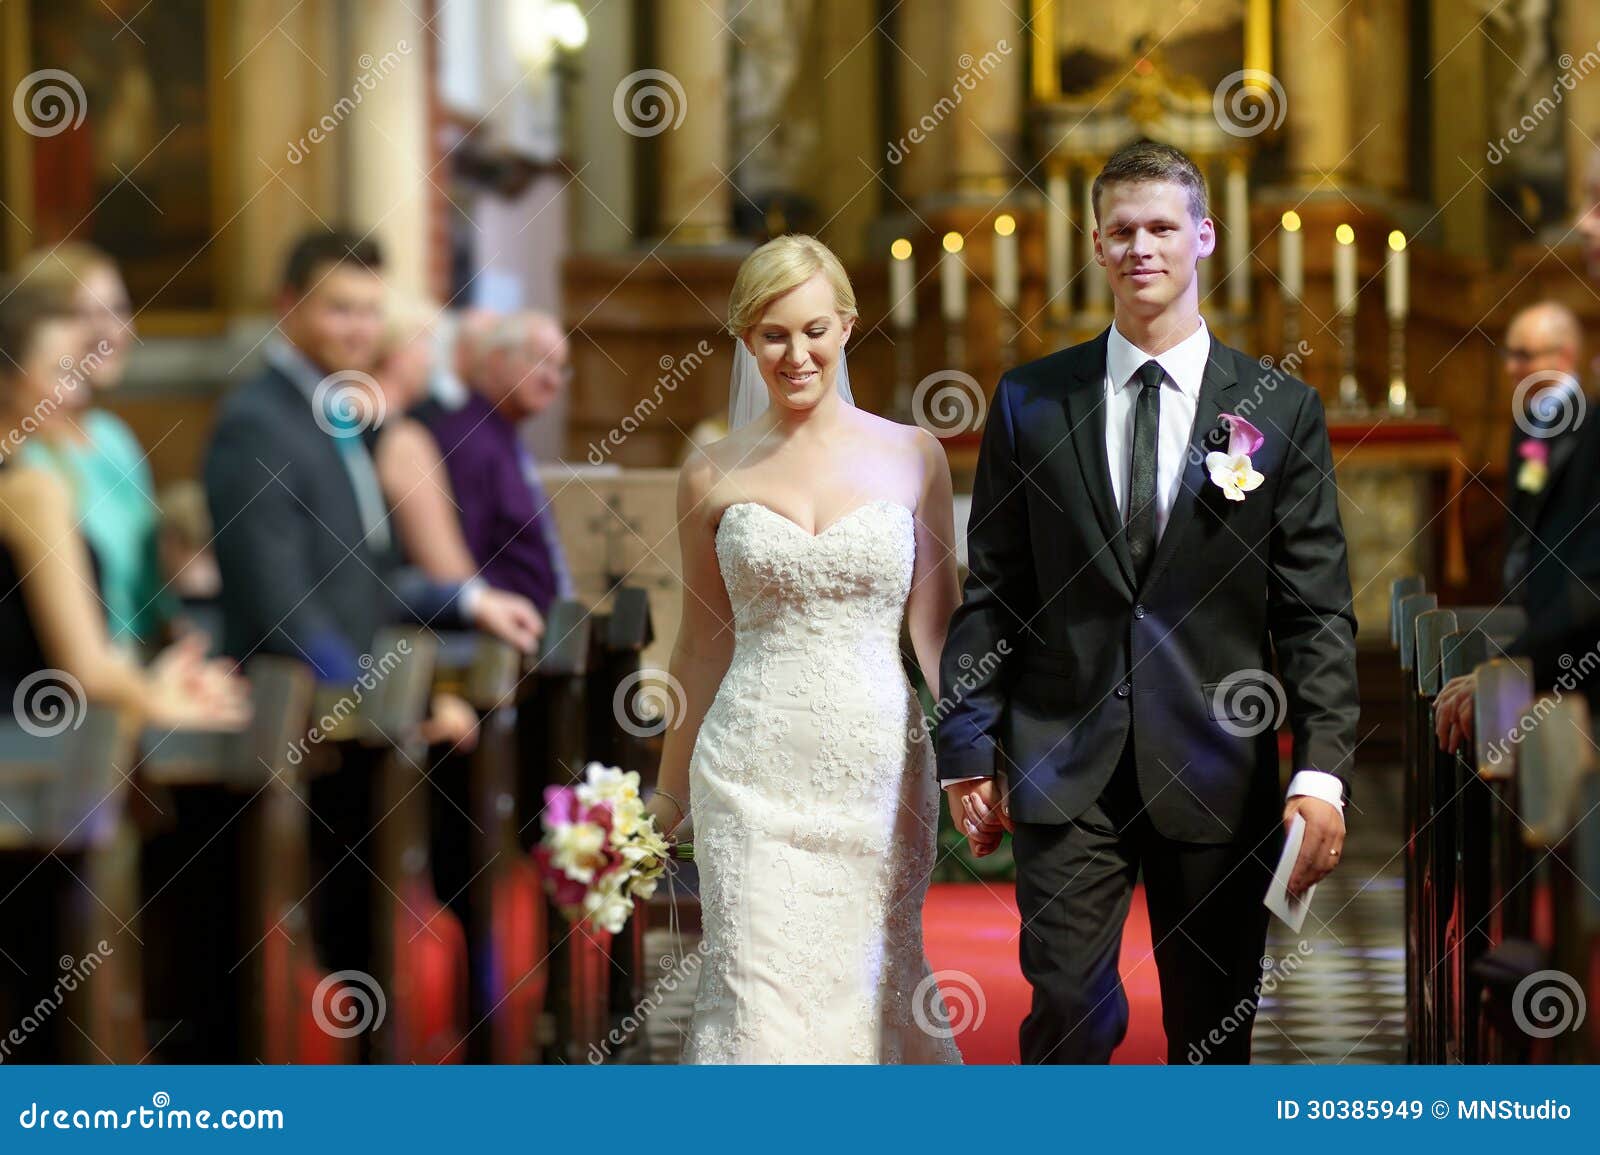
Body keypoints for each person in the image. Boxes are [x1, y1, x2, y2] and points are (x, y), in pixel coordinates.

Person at [937, 140, 1358, 1064]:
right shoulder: (1031, 401)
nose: (1141, 248)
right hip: (1064, 754)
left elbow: (1314, 611)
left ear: (1204, 236)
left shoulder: (1278, 409)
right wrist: (965, 743)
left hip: (1216, 762)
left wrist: (1321, 771)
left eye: (1162, 227)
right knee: (1067, 1014)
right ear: (1096, 244)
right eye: (1122, 231)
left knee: (1213, 1031)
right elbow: (995, 587)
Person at [647, 234, 964, 1063]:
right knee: (755, 1000)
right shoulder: (708, 471)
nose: (797, 354)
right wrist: (668, 794)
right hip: (747, 769)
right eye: (774, 334)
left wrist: (976, 764)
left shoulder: (914, 455)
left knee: (870, 990)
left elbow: (939, 632)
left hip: (878, 769)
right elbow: (701, 643)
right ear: (746, 340)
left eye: (815, 330)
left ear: (848, 325)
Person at [204, 228, 542, 682]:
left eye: (371, 313)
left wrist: (471, 602)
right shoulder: (257, 423)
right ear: (288, 305)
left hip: (357, 689)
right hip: (294, 703)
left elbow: (367, 581)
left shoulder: (337, 416)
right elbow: (277, 601)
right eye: (341, 310)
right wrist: (356, 695)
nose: (361, 331)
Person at [0, 275, 247, 728]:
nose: (77, 392)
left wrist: (157, 680)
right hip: (32, 749)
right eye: (60, 373)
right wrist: (168, 701)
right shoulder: (30, 490)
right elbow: (88, 673)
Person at [11, 243, 174, 648]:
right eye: (84, 315)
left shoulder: (113, 437)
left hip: (140, 664)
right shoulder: (18, 460)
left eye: (118, 310)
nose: (109, 333)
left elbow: (149, 596)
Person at [411, 311, 575, 617]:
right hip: (499, 631)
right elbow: (459, 568)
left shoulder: (502, 436)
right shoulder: (470, 442)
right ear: (498, 361)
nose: (552, 380)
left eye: (560, 368)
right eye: (541, 361)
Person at [1497, 302, 1587, 603]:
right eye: (1508, 355)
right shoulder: (1526, 421)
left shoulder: (1588, 422)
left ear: (1565, 355)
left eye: (1523, 356)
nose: (1511, 368)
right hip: (1527, 590)